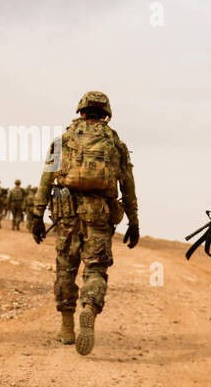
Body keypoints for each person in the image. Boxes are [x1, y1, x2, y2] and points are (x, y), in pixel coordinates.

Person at [29, 91, 137, 355]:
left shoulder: (62, 141)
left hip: (67, 213)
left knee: (66, 268)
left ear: (81, 111)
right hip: (99, 213)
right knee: (96, 269)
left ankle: (67, 327)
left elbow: (46, 178)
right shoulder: (115, 143)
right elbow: (128, 184)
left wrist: (37, 214)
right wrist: (134, 219)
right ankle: (88, 307)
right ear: (106, 114)